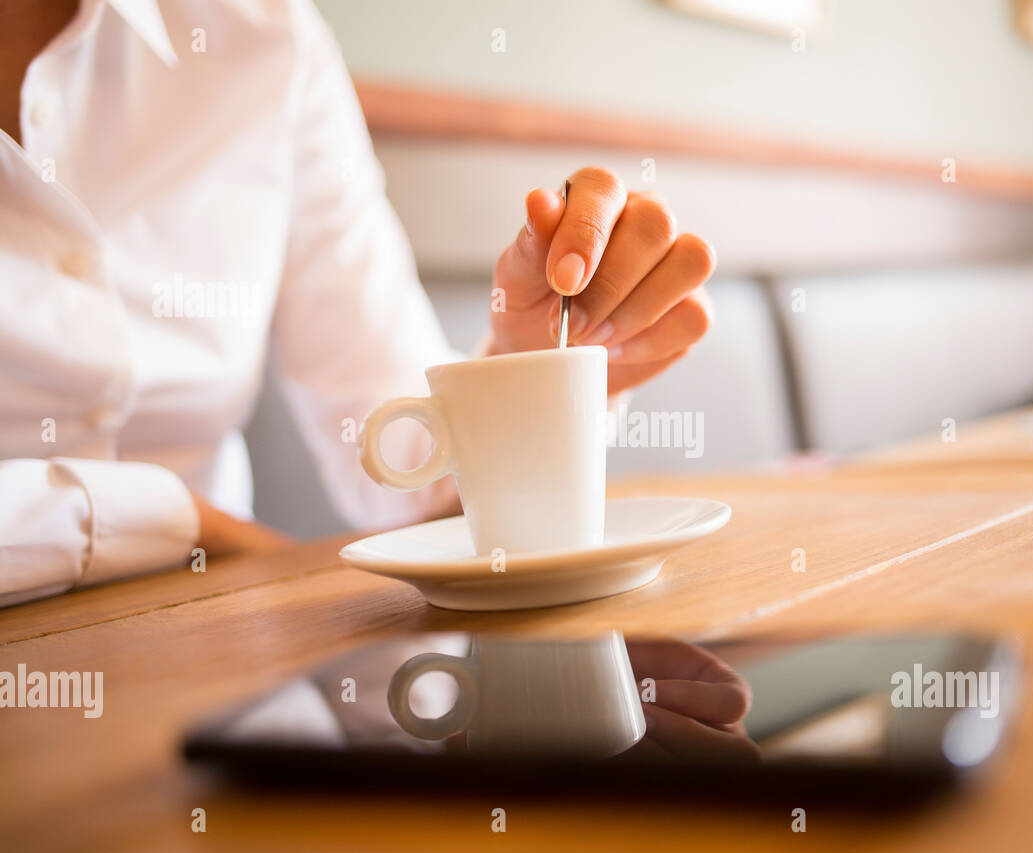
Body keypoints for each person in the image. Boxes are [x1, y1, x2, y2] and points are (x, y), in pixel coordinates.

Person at [0, 0, 715, 607]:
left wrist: (523, 381)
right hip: (233, 593)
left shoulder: (266, 35)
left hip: (228, 643)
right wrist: (174, 520)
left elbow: (396, 459)